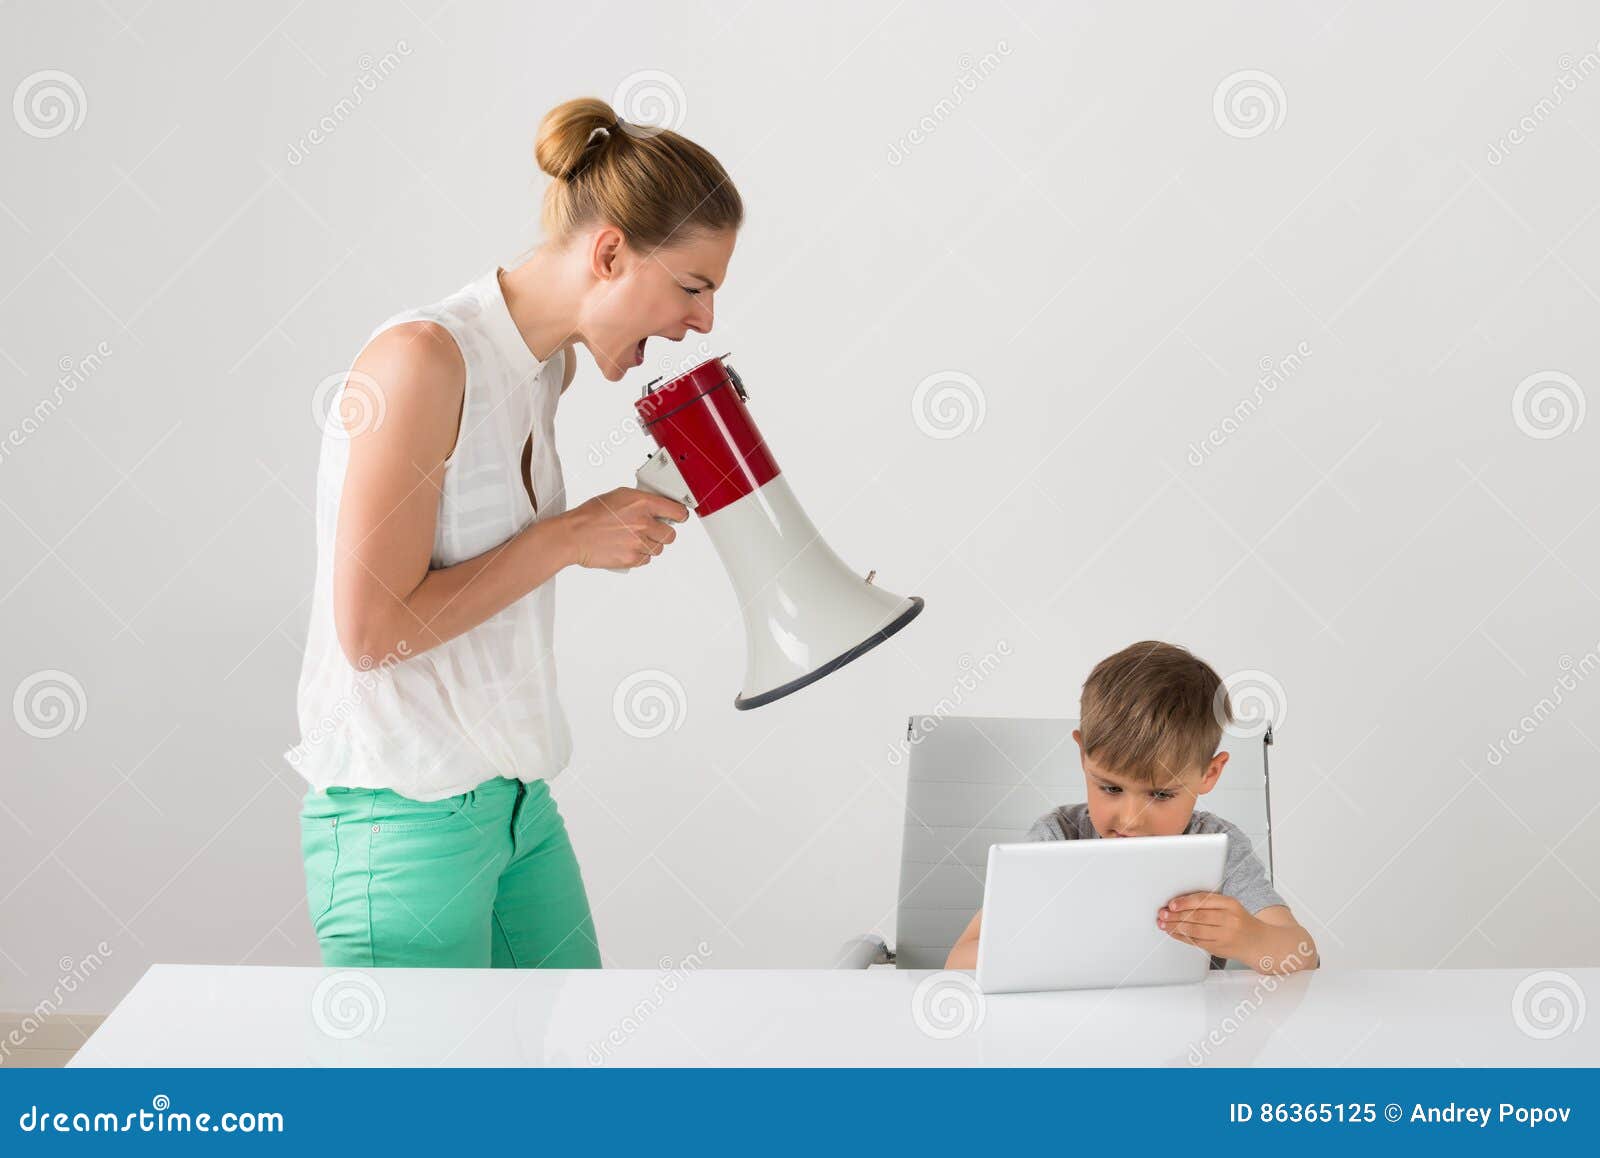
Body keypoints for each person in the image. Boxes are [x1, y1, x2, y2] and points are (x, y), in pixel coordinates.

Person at [285, 96, 742, 968]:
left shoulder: (545, 370)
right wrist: (568, 538)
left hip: (516, 805)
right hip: (401, 815)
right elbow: (372, 632)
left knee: (564, 1085)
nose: (703, 321)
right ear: (609, 252)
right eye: (693, 285)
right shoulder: (420, 360)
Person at [945, 640, 1319, 975]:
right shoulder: (1056, 838)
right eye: (1110, 787)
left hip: (1186, 1036)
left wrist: (1250, 940)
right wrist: (1055, 945)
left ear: (1210, 773)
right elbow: (959, 959)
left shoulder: (1218, 846)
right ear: (1082, 755)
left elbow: (1303, 955)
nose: (1130, 819)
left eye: (1160, 795)